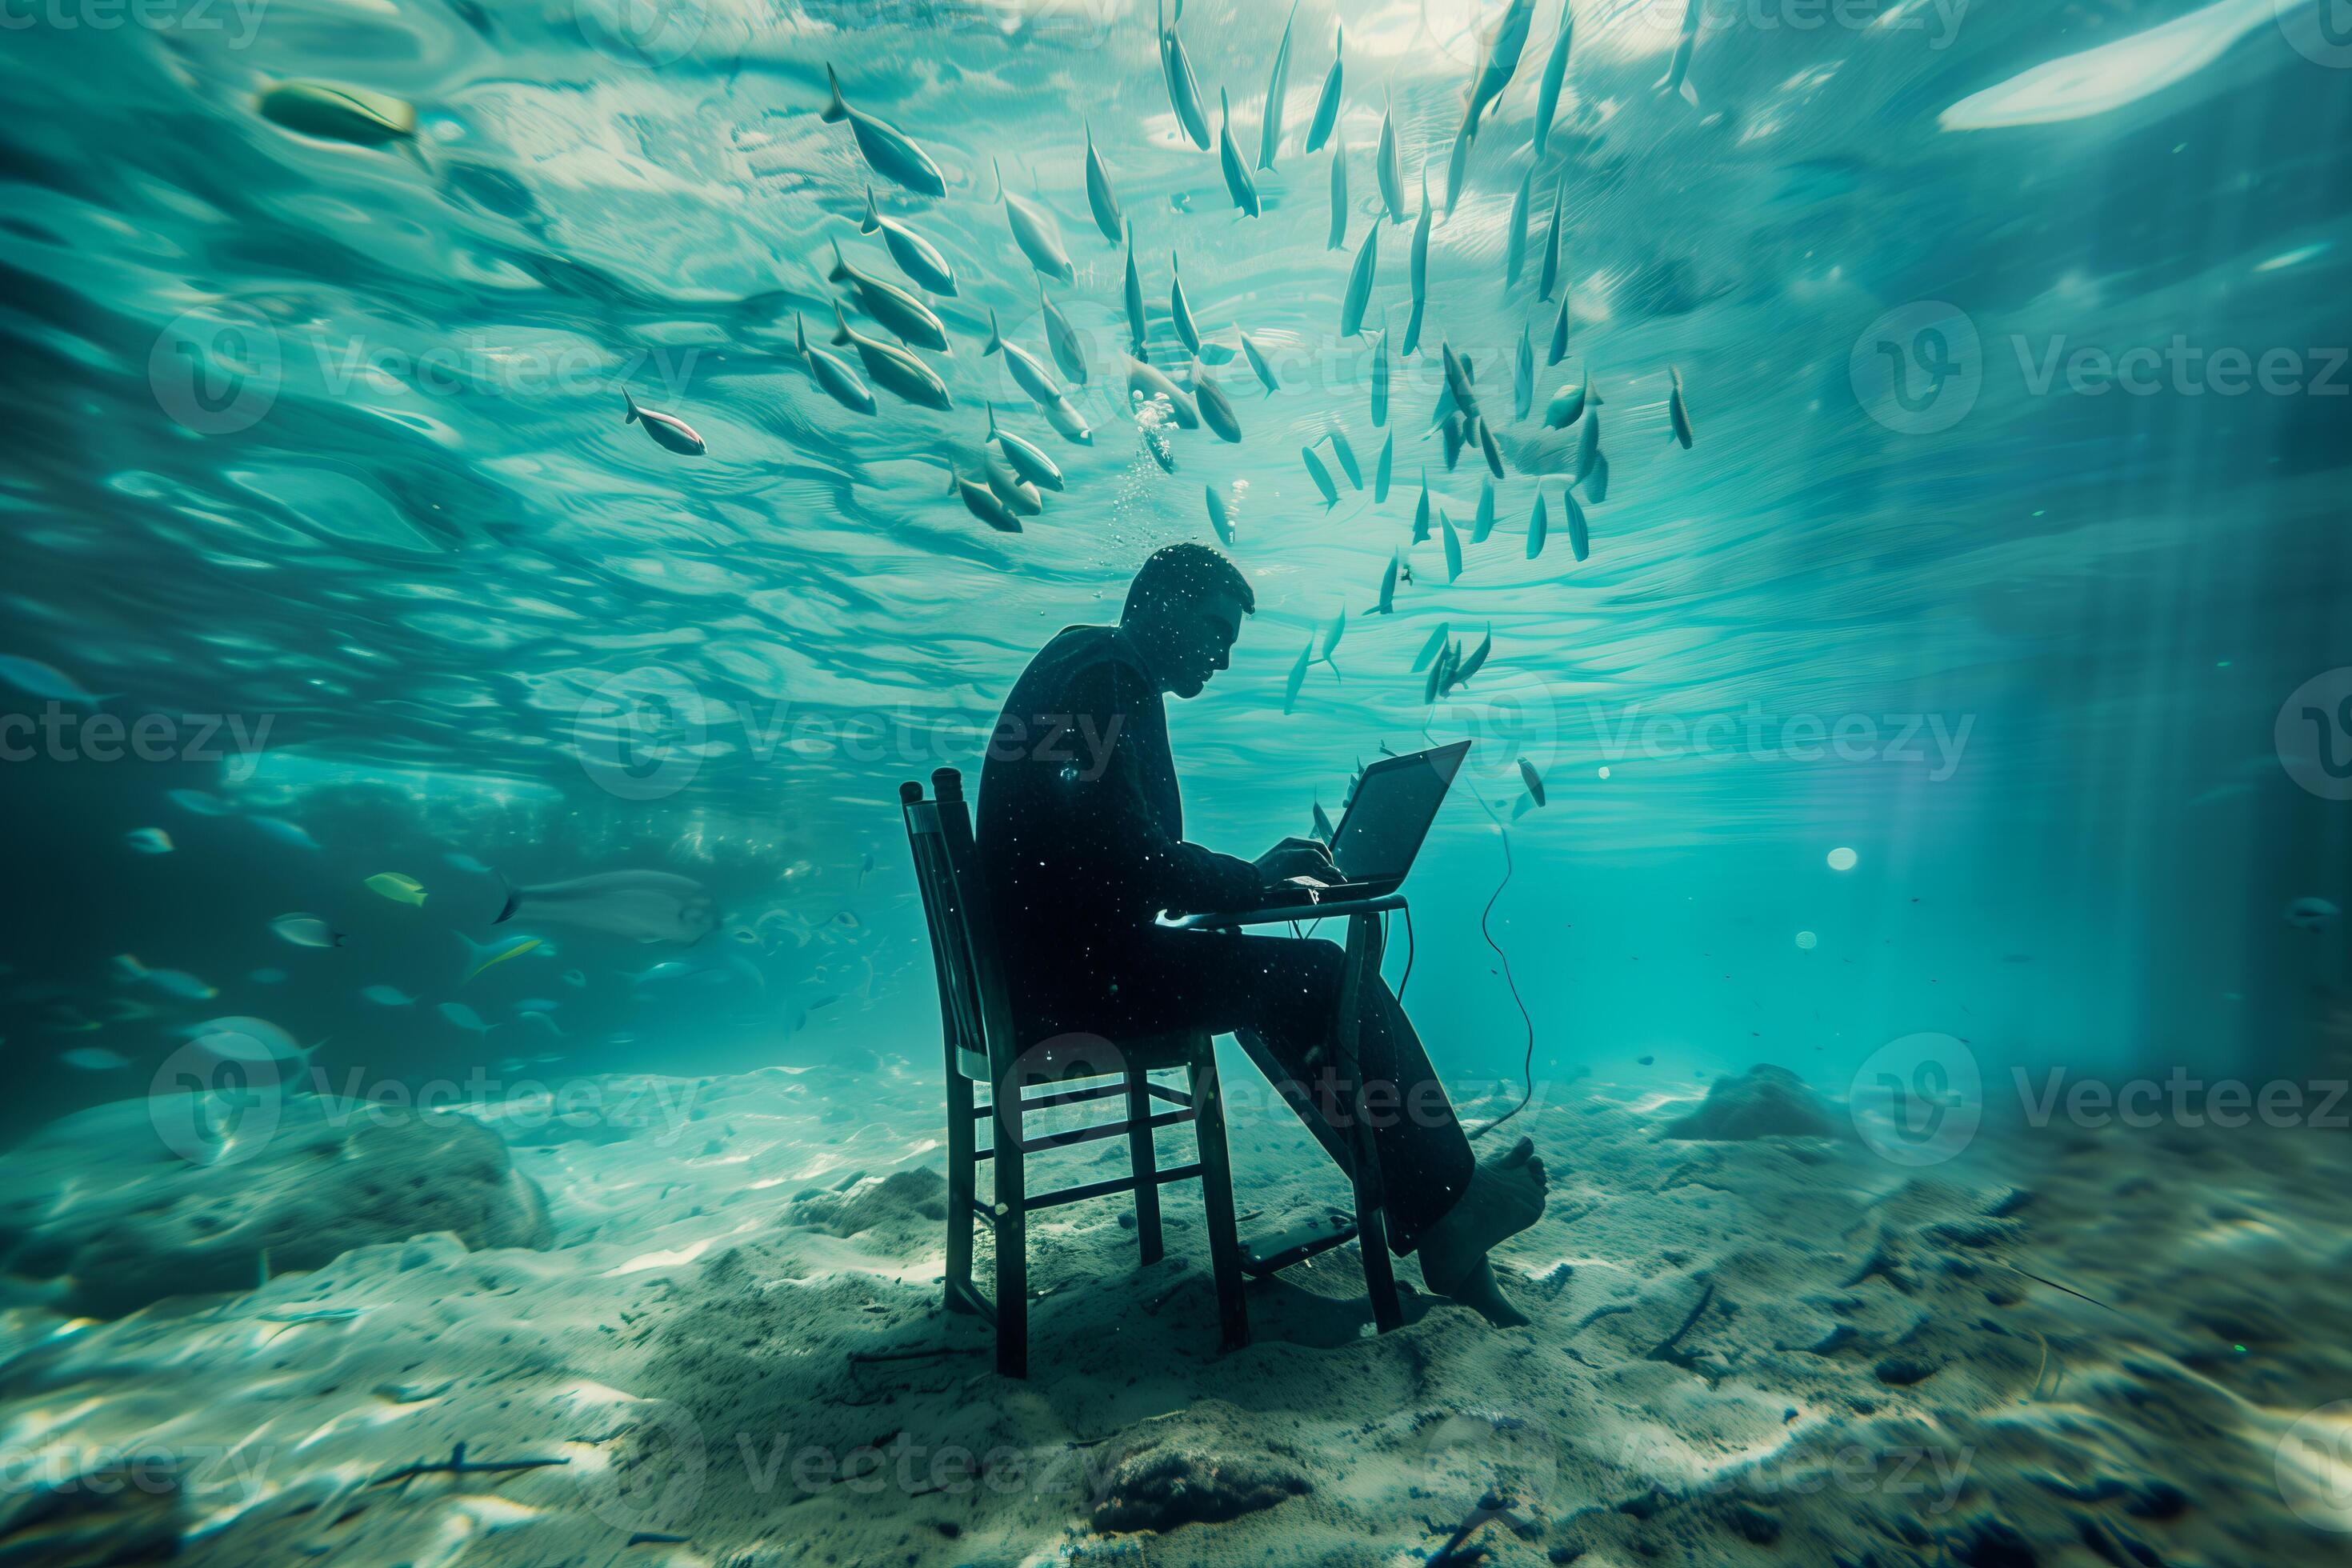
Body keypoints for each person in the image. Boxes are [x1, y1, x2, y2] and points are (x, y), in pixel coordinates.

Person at [976, 543, 1547, 1326]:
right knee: (1318, 975)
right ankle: (1451, 1204)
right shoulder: (1105, 675)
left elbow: (1111, 852)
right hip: (1075, 991)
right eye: (1215, 630)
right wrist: (1255, 878)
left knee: (1282, 990)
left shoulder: (1094, 666)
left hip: (1057, 972)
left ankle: (1436, 1213)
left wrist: (1247, 879)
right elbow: (1129, 856)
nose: (1223, 656)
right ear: (1160, 603)